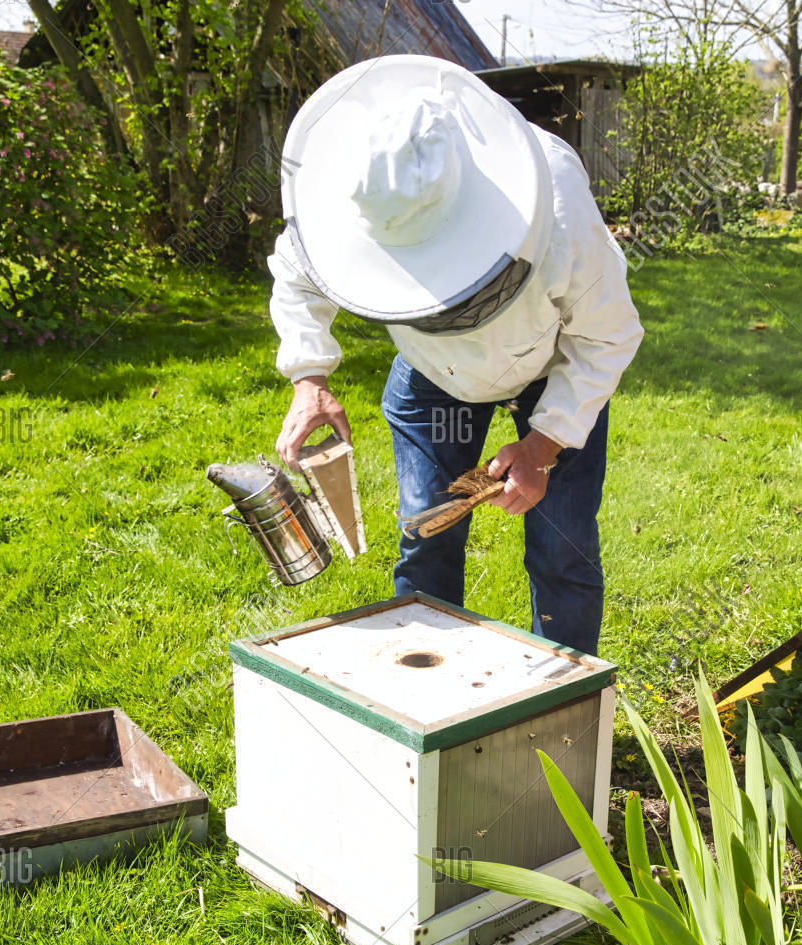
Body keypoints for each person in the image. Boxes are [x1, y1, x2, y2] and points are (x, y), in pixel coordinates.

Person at [267, 55, 642, 656]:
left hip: (551, 368)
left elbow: (608, 335)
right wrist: (308, 374)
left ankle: (565, 721)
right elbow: (297, 273)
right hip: (431, 376)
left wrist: (543, 446)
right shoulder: (349, 187)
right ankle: (427, 710)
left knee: (562, 546)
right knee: (425, 533)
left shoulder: (558, 201)